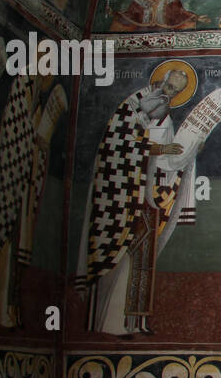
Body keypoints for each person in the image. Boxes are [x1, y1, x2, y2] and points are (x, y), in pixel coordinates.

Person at [76, 66, 197, 335]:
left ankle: (136, 321)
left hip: (148, 195)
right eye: (168, 88)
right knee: (116, 254)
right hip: (122, 193)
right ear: (159, 82)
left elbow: (165, 159)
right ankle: (107, 323)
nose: (170, 95)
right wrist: (158, 149)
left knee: (142, 260)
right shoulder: (132, 106)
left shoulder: (165, 116)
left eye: (176, 93)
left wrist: (187, 153)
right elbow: (118, 143)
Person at [0, 71, 60, 328]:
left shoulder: (38, 97)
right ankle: (0, 309)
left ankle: (11, 309)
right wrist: (35, 139)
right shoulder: (23, 87)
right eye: (47, 66)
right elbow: (16, 133)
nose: (50, 74)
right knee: (7, 246)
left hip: (26, 182)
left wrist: (42, 141)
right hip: (13, 180)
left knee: (20, 251)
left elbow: (39, 136)